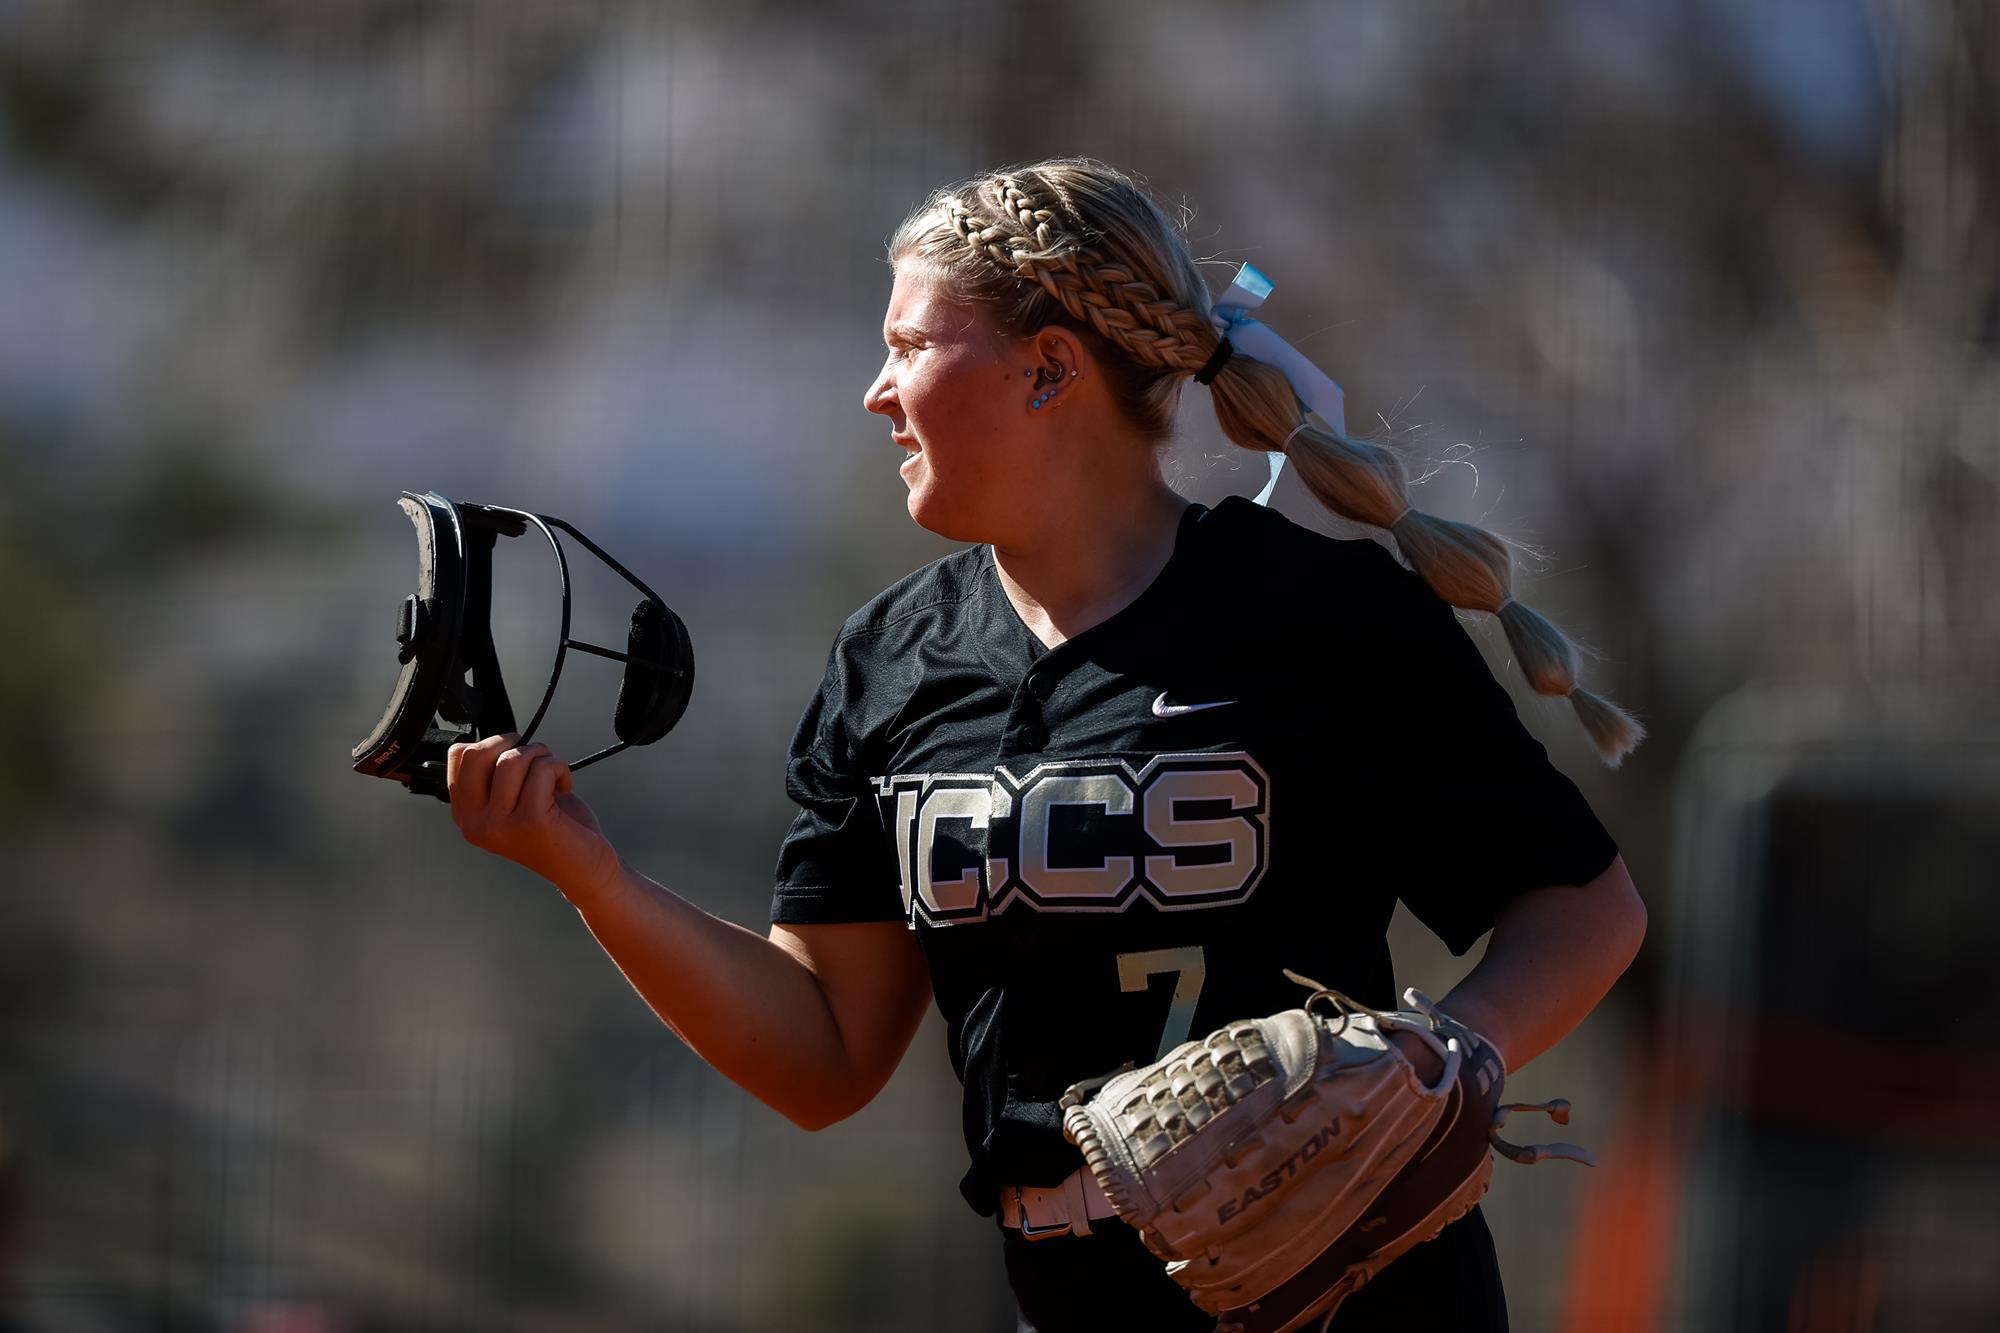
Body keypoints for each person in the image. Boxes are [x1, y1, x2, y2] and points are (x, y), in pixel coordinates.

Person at [445, 157, 1649, 1333]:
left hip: (1351, 1294)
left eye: (910, 346)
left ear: (1047, 369)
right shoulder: (892, 657)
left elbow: (1586, 905)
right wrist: (592, 881)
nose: (876, 390)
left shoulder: (1315, 618)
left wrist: (1442, 1056)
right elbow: (824, 1053)